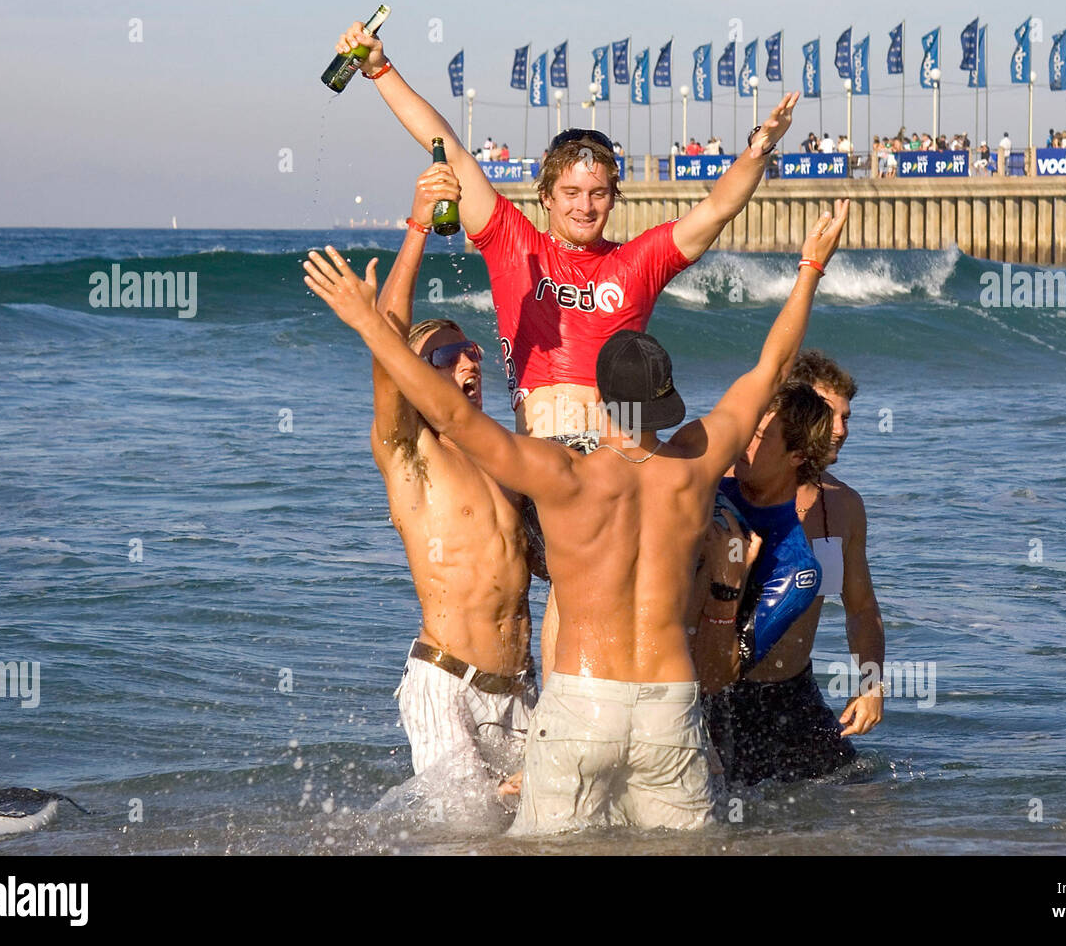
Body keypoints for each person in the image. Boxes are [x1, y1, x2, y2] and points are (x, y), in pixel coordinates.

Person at [303, 202, 852, 833]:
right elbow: (772, 367)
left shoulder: (563, 475)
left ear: (602, 396)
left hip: (581, 702)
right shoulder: (695, 466)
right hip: (669, 705)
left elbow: (452, 418)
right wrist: (810, 268)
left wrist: (368, 326)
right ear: (664, 400)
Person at [335, 22, 798, 441]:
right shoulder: (514, 246)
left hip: (620, 470)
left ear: (614, 197)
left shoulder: (640, 261)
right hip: (546, 469)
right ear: (547, 197)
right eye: (571, 192)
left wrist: (758, 149)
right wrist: (379, 69)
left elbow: (717, 208)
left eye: (598, 193)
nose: (584, 206)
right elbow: (449, 149)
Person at [313, 164, 536, 792]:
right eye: (445, 354)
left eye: (472, 351)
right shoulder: (409, 451)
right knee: (462, 837)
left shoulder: (505, 458)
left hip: (520, 694)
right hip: (449, 687)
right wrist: (417, 223)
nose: (469, 360)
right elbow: (387, 345)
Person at [701, 352, 886, 783]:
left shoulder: (842, 507)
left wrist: (871, 684)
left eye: (845, 417)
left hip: (794, 691)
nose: (838, 430)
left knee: (860, 790)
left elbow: (861, 608)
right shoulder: (724, 488)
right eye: (827, 414)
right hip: (723, 690)